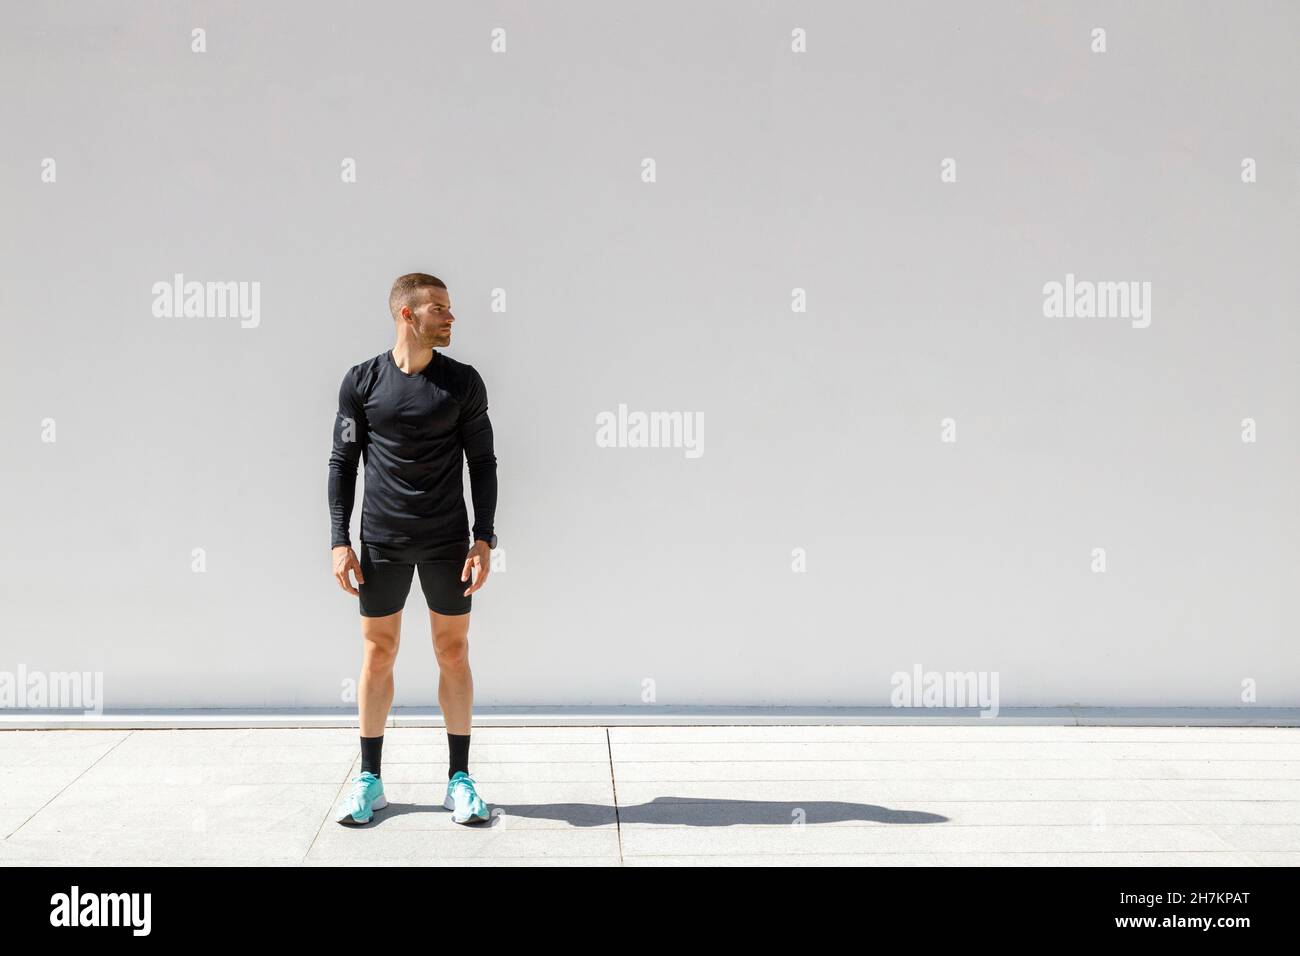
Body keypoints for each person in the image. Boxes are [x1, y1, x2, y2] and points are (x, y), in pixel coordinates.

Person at [326, 272, 498, 825]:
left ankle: (459, 779)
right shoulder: (361, 381)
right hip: (382, 540)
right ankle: (370, 779)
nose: (451, 318)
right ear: (408, 315)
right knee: (379, 652)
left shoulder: (463, 383)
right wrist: (339, 540)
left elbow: (484, 464)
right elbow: (342, 463)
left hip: (448, 539)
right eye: (440, 309)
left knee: (453, 652)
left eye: (450, 309)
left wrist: (484, 536)